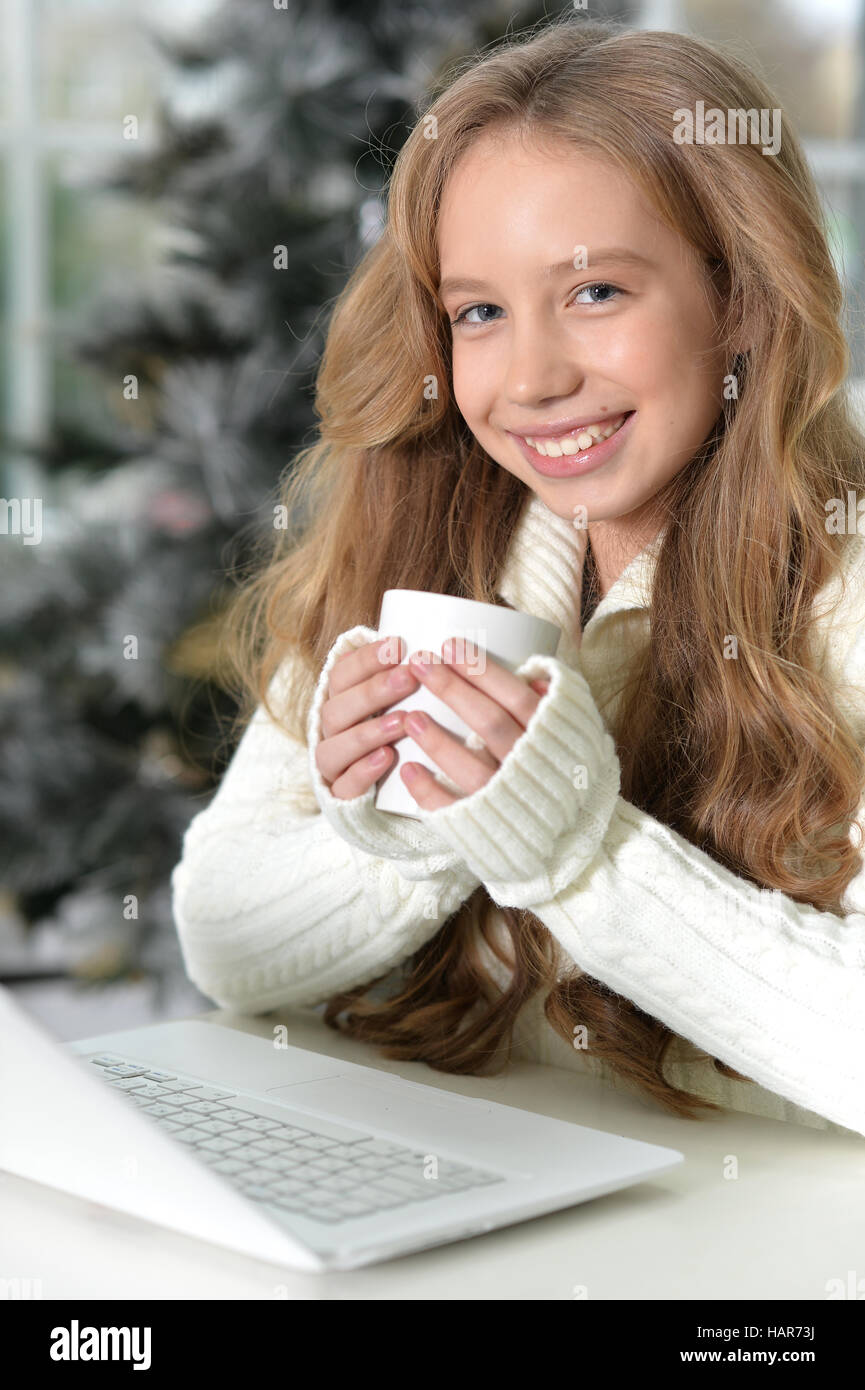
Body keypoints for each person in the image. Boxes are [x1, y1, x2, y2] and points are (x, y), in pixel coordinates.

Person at [171, 16, 865, 1137]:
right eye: (479, 312)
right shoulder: (424, 540)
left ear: (738, 295)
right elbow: (223, 945)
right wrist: (421, 827)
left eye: (595, 293)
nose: (532, 379)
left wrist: (567, 846)